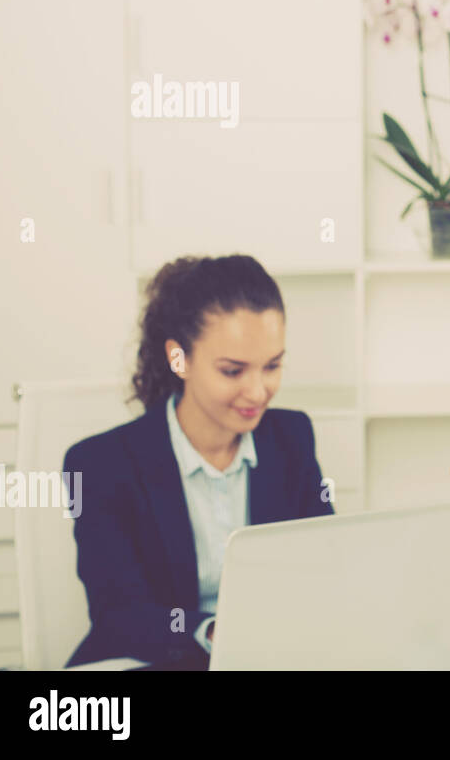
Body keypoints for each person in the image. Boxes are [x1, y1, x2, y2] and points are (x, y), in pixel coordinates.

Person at [64, 254, 334, 669]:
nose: (259, 391)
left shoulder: (291, 438)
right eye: (233, 371)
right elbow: (117, 613)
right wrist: (211, 631)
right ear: (180, 360)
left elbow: (325, 562)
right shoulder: (99, 465)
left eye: (273, 366)